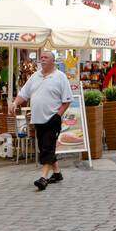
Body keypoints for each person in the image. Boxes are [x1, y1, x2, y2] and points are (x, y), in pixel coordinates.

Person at [13, 50, 74, 191]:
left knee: (48, 147)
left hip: (52, 119)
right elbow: (24, 93)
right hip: (38, 119)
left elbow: (67, 100)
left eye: (46, 57)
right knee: (44, 146)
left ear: (53, 61)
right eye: (41, 58)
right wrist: (16, 103)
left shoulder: (60, 77)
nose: (43, 60)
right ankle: (57, 174)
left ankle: (43, 178)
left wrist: (58, 115)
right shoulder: (35, 76)